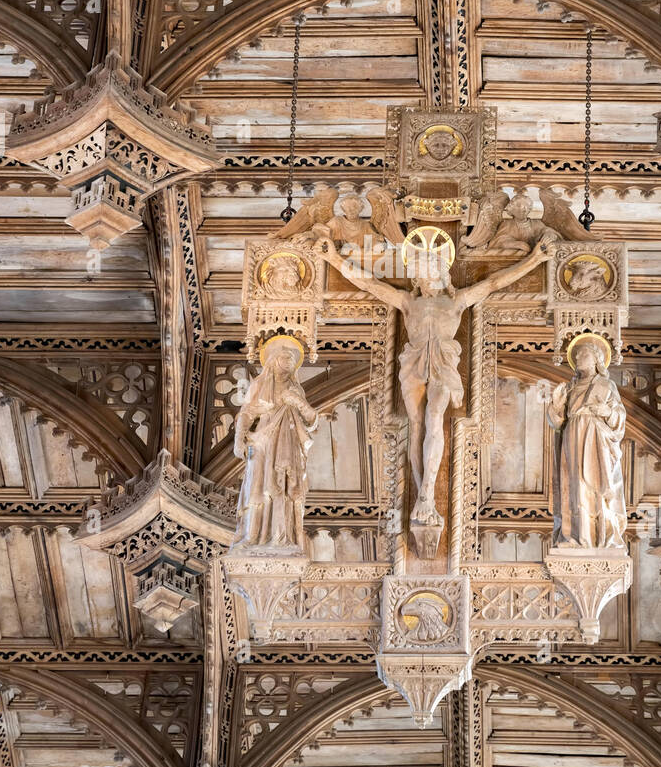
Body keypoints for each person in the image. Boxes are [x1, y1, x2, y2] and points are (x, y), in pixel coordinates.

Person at [316, 234, 547, 527]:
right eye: (417, 271)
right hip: (413, 366)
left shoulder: (457, 301)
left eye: (424, 268)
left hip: (444, 368)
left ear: (438, 270)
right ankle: (421, 494)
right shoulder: (408, 301)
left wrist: (535, 259)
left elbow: (494, 283)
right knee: (415, 427)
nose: (421, 275)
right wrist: (334, 260)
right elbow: (368, 284)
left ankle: (428, 492)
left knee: (434, 416)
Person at [233, 340, 318, 550]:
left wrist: (297, 402)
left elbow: (311, 420)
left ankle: (283, 537)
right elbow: (246, 414)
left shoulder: (296, 389)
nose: (289, 361)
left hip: (288, 443)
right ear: (273, 360)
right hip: (262, 442)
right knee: (258, 485)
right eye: (285, 357)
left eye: (292, 358)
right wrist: (239, 438)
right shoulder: (260, 385)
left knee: (285, 486)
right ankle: (252, 536)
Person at [548, 336, 627, 549]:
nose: (578, 357)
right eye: (576, 354)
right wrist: (556, 406)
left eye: (584, 354)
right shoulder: (570, 388)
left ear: (596, 359)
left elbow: (619, 417)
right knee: (575, 486)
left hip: (595, 440)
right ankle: (575, 537)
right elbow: (557, 422)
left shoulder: (605, 385)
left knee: (593, 486)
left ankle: (598, 537)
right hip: (572, 437)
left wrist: (607, 411)